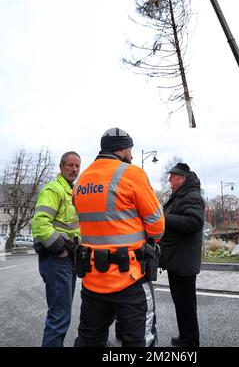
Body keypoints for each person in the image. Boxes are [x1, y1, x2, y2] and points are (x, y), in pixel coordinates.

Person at [73, 127, 165, 347]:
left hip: (92, 278)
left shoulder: (82, 179)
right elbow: (157, 227)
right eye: (130, 150)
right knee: (138, 341)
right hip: (129, 277)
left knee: (89, 339)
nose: (132, 155)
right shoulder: (132, 173)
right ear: (122, 149)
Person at [31, 151, 81, 347]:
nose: (74, 169)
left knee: (63, 314)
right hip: (57, 259)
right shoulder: (53, 190)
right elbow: (40, 224)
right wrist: (60, 249)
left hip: (69, 260)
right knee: (59, 317)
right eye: (70, 165)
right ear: (61, 167)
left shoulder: (72, 191)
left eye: (77, 166)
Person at [159, 162, 204, 347]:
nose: (169, 179)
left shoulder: (191, 196)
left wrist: (164, 219)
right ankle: (186, 336)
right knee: (181, 302)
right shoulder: (181, 195)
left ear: (182, 179)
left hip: (183, 260)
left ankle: (190, 341)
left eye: (173, 176)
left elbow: (194, 222)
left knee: (185, 304)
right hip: (177, 258)